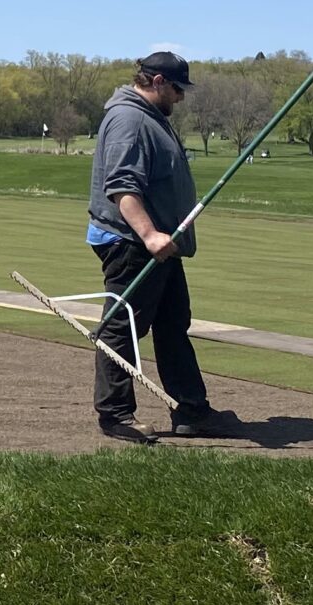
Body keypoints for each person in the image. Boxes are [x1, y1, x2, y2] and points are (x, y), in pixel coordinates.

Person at [85, 51, 231, 441]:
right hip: (132, 242)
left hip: (157, 244)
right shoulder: (129, 120)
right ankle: (115, 415)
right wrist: (150, 234)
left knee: (172, 325)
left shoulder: (150, 118)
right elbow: (121, 187)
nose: (181, 98)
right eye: (178, 88)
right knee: (122, 329)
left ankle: (191, 410)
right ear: (158, 82)